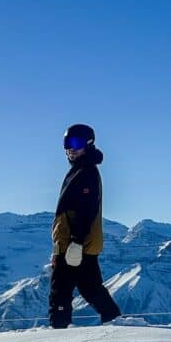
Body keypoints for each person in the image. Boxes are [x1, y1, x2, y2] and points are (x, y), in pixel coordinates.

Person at [49, 123, 122, 328]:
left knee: (60, 290)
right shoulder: (80, 170)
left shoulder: (86, 172)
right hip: (76, 244)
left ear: (88, 144)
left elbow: (86, 210)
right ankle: (115, 320)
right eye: (67, 143)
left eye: (76, 143)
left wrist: (76, 242)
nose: (71, 148)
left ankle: (58, 330)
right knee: (90, 287)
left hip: (75, 244)